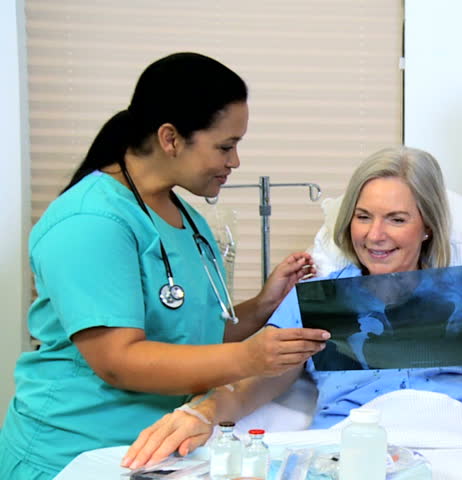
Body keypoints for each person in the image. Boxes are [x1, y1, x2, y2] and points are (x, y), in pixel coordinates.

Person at [121, 146, 462, 468]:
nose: (374, 235)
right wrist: (198, 414)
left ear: (427, 227)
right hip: (350, 451)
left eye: (396, 219)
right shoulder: (317, 300)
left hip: (459, 448)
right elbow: (248, 389)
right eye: (363, 216)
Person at [0, 52, 329, 480]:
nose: (235, 161)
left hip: (157, 451)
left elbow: (193, 336)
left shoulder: (185, 218)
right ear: (170, 138)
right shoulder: (90, 221)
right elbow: (118, 360)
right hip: (73, 453)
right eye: (225, 146)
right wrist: (249, 359)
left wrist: (264, 304)